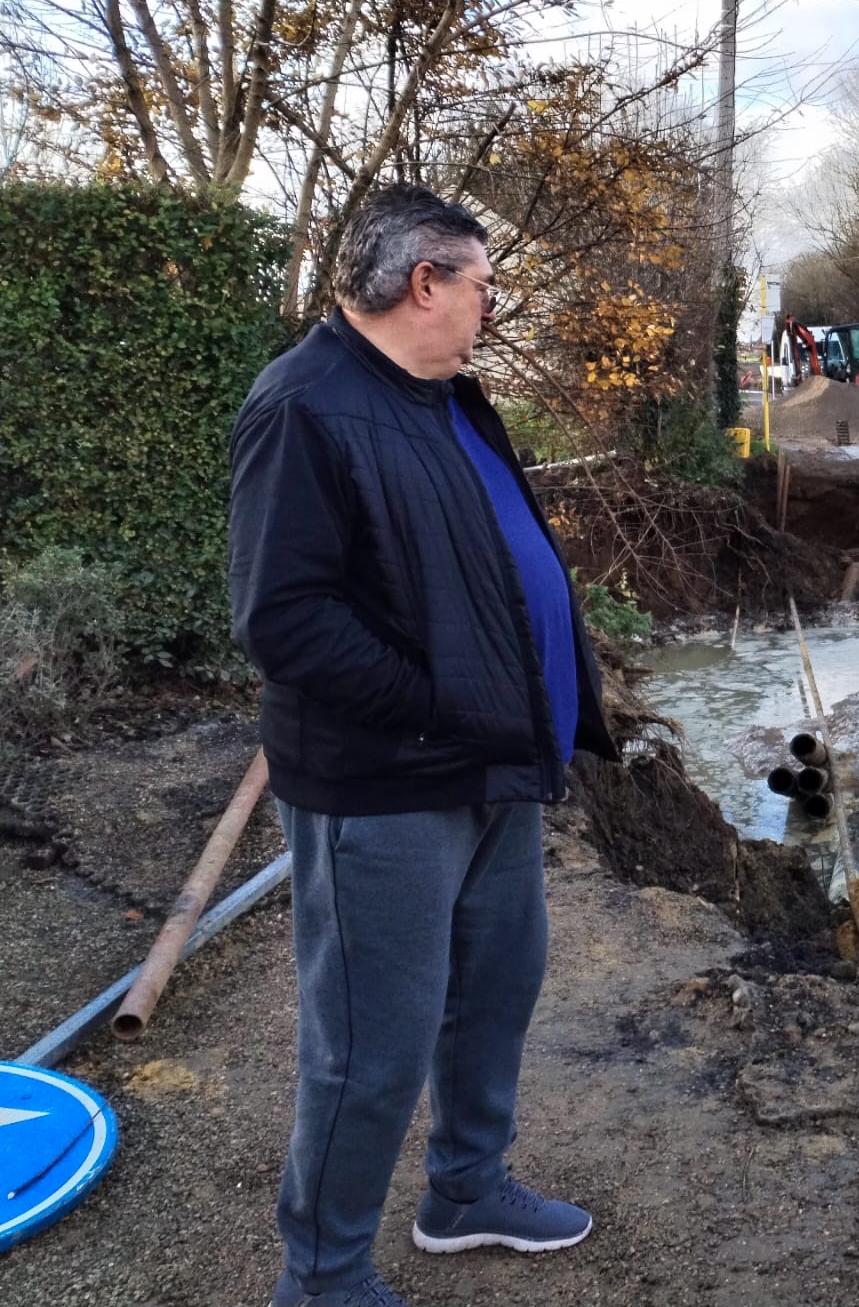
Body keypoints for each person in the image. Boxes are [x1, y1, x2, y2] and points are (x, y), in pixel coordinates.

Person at [229, 185, 620, 1307]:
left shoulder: (440, 397)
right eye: (483, 286)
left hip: (491, 766)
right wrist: (439, 702)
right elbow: (284, 616)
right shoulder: (305, 406)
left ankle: (463, 1189)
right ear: (424, 283)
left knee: (497, 986)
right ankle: (322, 1275)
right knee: (370, 1043)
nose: (489, 311)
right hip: (385, 787)